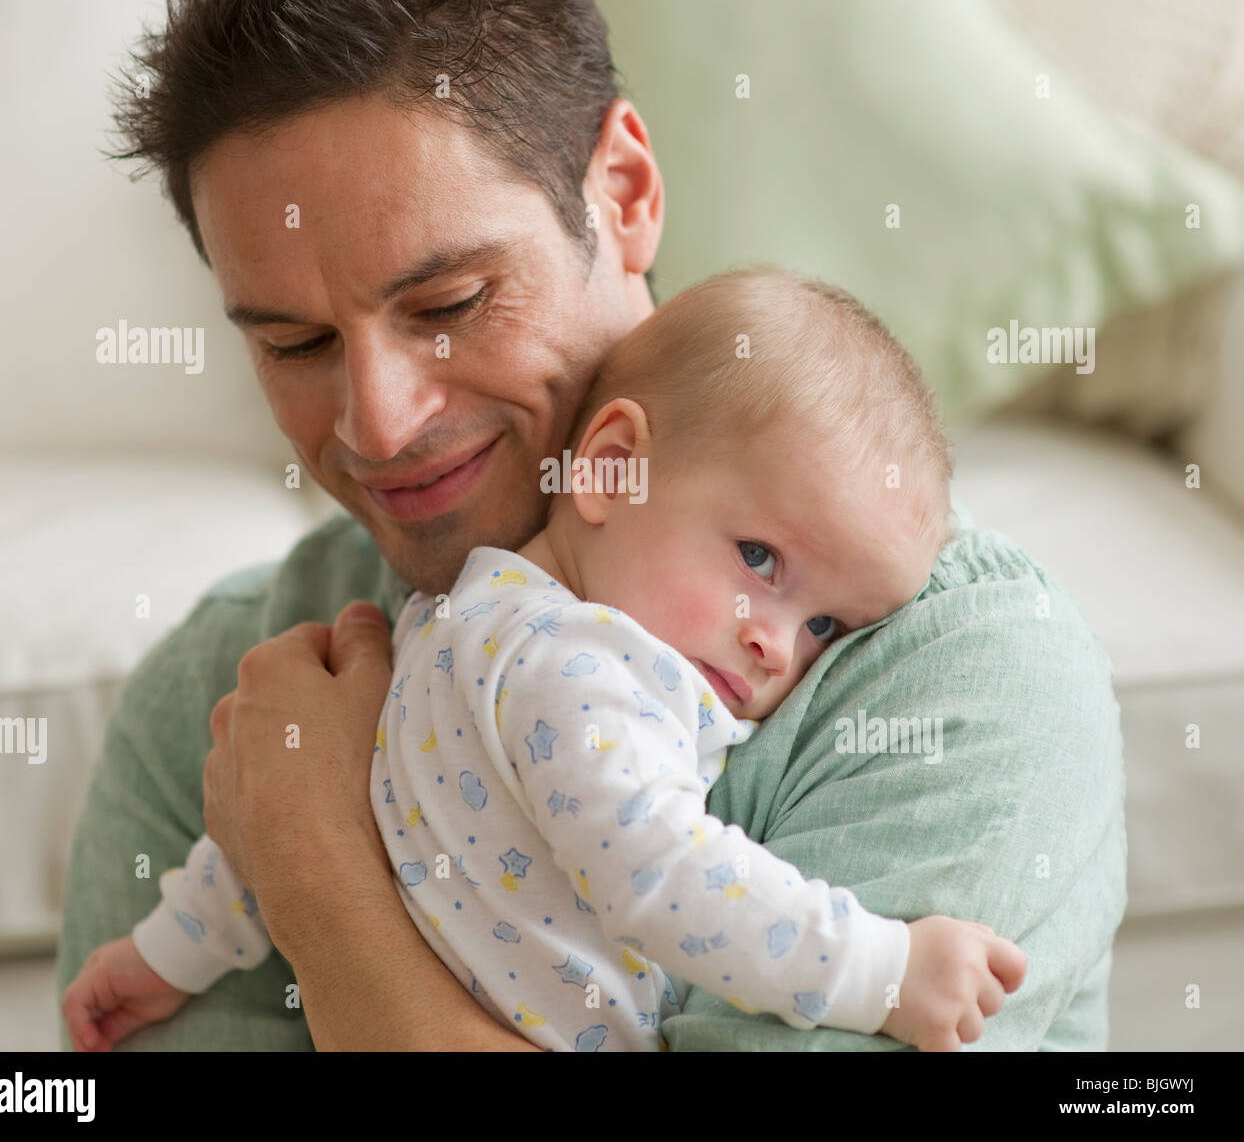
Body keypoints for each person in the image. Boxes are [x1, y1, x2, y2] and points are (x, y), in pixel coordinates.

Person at [56, 0, 1124, 1052]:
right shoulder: (228, 686)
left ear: (621, 193)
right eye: (296, 344)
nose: (377, 423)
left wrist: (322, 886)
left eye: (452, 304)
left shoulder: (955, 673)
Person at [61, 270, 1029, 1052]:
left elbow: (264, 844)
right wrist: (881, 971)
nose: (776, 642)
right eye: (759, 561)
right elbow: (660, 876)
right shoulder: (588, 673)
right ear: (611, 469)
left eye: (824, 626)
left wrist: (163, 957)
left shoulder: (438, 630)